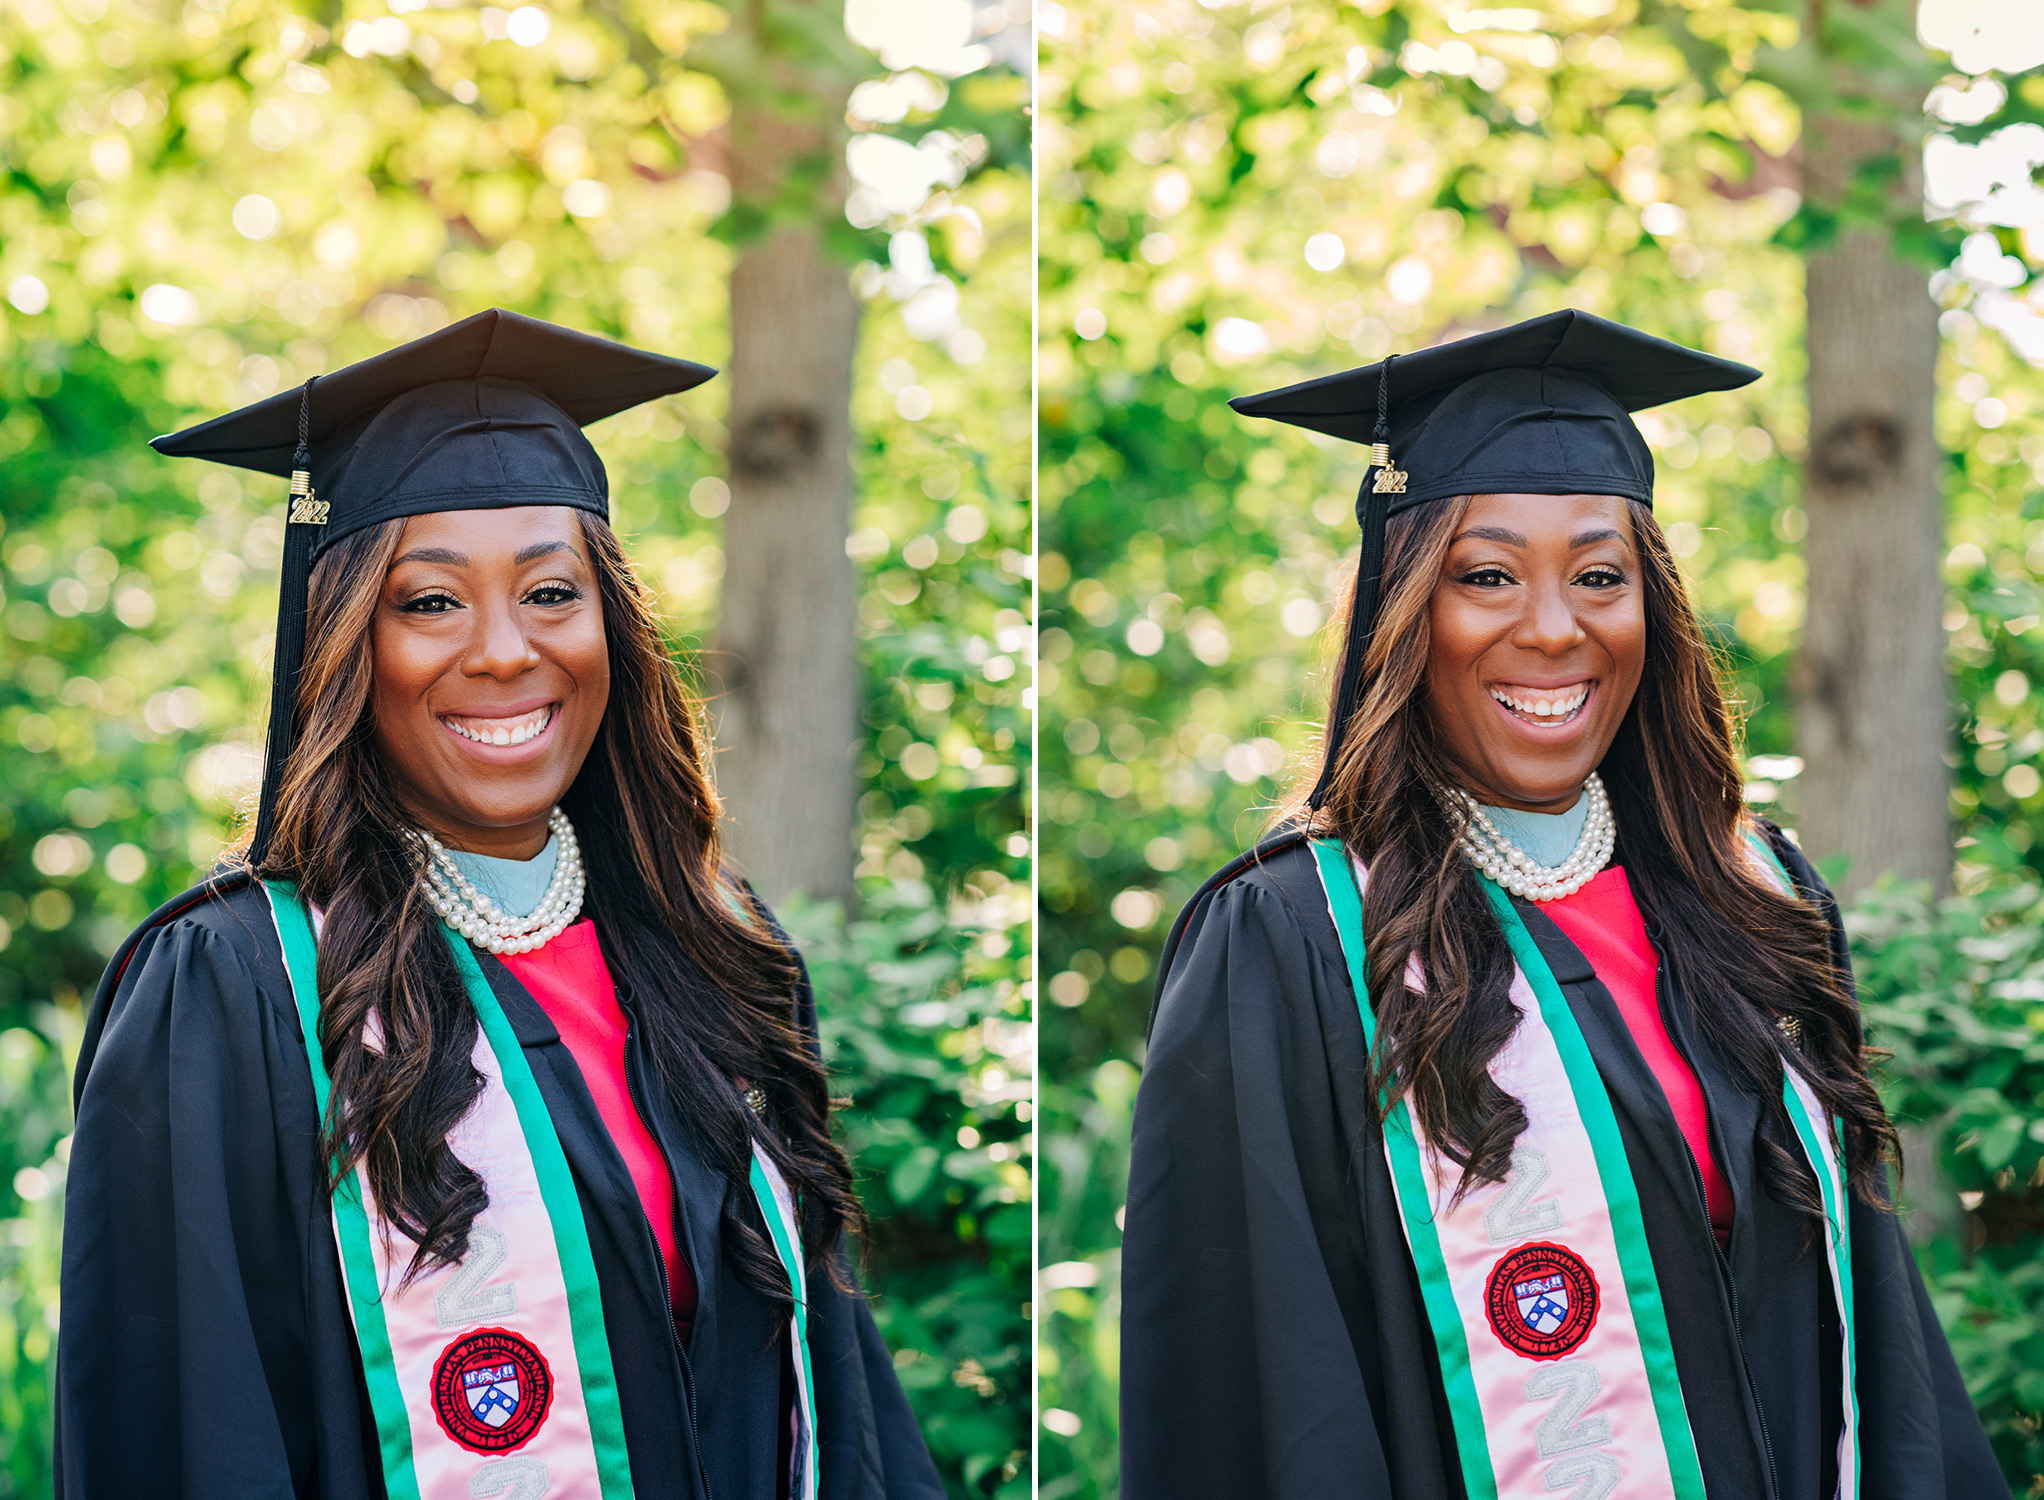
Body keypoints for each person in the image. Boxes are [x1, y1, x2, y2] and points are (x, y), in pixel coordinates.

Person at [59, 309, 945, 1500]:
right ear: (344, 643)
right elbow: (183, 1422)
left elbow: (834, 1395)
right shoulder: (238, 986)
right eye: (429, 603)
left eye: (549, 593)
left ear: (611, 628)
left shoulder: (721, 955)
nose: (504, 651)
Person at [1120, 310, 2006, 1500]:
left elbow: (1874, 1325)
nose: (1552, 628)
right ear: (1404, 611)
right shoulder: (1293, 940)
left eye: (1599, 576)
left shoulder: (1755, 899)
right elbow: (1253, 1386)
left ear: (1655, 610)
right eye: (1485, 576)